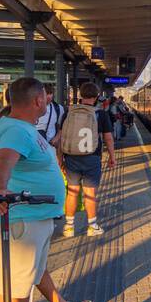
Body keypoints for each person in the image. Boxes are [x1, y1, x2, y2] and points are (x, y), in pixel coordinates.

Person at [0, 77, 80, 302]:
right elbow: (1, 164)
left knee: (21, 286)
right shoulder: (16, 130)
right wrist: (0, 192)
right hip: (21, 223)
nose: (48, 103)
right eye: (46, 99)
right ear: (37, 100)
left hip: (31, 220)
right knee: (11, 289)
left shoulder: (20, 128)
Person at [56, 82, 114, 238]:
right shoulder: (100, 114)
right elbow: (108, 138)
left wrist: (59, 159)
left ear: (80, 95)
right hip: (91, 159)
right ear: (96, 97)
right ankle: (92, 226)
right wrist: (112, 157)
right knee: (90, 193)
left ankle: (68, 227)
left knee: (72, 192)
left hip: (71, 158)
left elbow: (62, 137)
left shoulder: (68, 112)